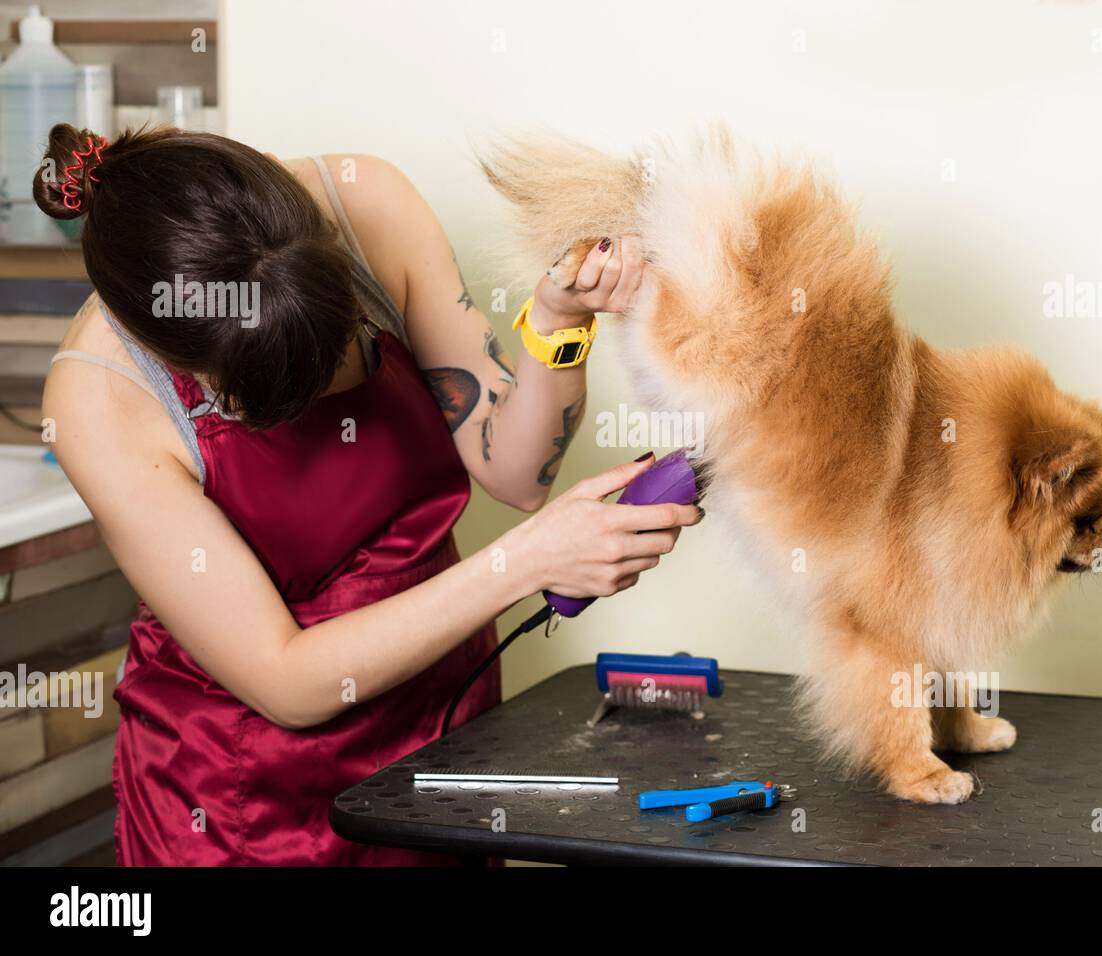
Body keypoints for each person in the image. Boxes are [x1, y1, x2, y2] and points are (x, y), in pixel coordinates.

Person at [35, 123, 701, 865]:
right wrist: (522, 567)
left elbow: (514, 477)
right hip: (240, 797)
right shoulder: (99, 397)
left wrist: (558, 322)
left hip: (444, 729)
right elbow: (284, 679)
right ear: (177, 356)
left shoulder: (366, 204)